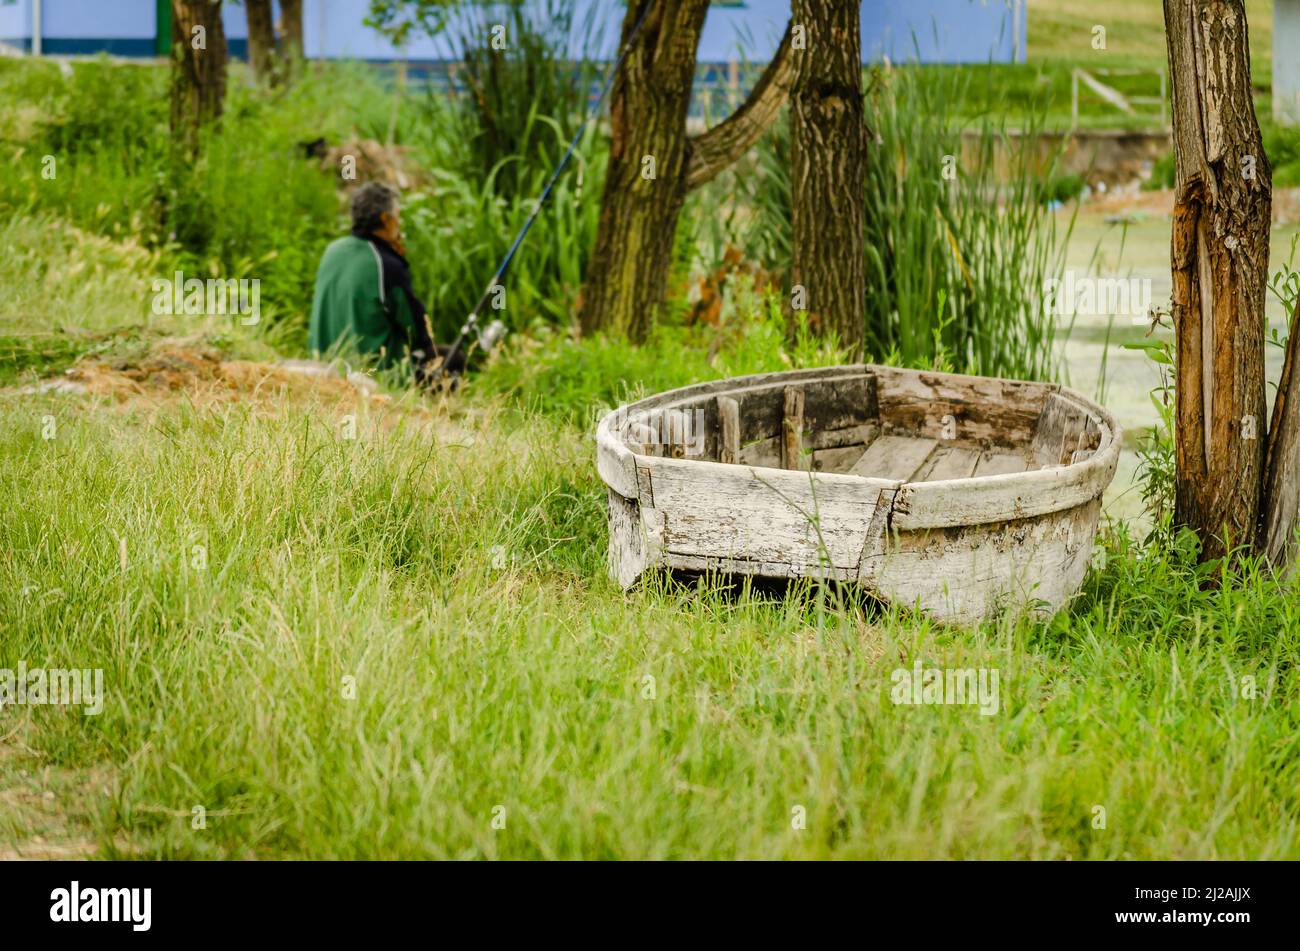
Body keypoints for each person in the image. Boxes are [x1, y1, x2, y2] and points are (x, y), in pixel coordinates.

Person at [308, 182, 463, 380]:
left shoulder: (333, 250)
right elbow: (414, 328)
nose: (399, 223)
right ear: (385, 219)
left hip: (324, 364)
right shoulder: (385, 264)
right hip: (375, 373)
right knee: (453, 359)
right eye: (397, 216)